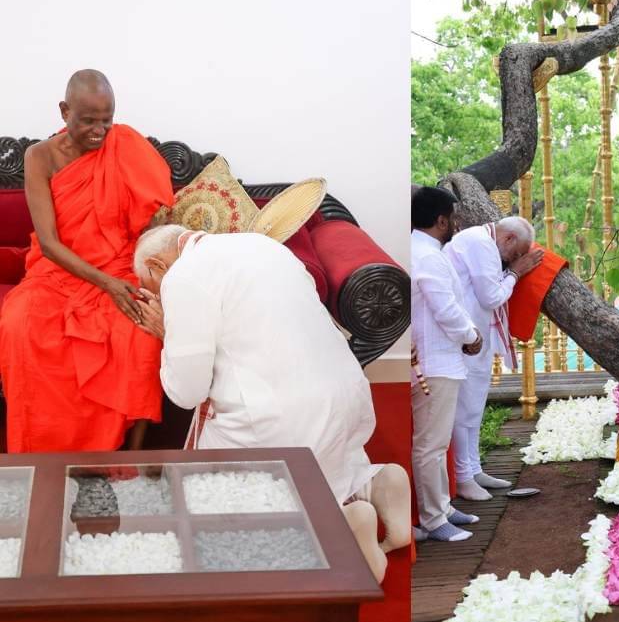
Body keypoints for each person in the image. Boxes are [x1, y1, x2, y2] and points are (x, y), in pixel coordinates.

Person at [131, 225, 411, 583]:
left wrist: (168, 336)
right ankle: (374, 483)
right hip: (347, 399)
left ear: (157, 264)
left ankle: (339, 524)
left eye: (151, 287)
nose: (157, 298)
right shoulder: (263, 245)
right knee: (333, 466)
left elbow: (188, 391)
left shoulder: (183, 277)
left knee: (205, 491)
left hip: (278, 422)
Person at [0, 70, 173, 452]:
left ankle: (128, 457)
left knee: (139, 333)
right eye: (89, 120)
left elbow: (151, 214)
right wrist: (108, 286)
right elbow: (48, 244)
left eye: (106, 120)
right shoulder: (39, 157)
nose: (100, 130)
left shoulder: (124, 145)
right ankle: (40, 456)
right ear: (65, 112)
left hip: (116, 265)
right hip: (57, 271)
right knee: (19, 324)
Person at [445, 216, 543, 501]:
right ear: (509, 239)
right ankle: (463, 476)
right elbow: (491, 296)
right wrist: (515, 272)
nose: (515, 259)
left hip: (475, 337)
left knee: (473, 408)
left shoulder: (482, 241)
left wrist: (512, 270)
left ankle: (473, 469)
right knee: (465, 409)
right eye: (516, 253)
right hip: (464, 339)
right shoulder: (481, 243)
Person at [411, 185, 485, 541]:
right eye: (452, 219)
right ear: (442, 220)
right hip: (435, 362)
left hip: (436, 359)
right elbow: (445, 309)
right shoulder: (426, 255)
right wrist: (471, 336)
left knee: (437, 443)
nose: (455, 225)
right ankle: (434, 518)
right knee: (431, 444)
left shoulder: (425, 251)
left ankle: (442, 507)